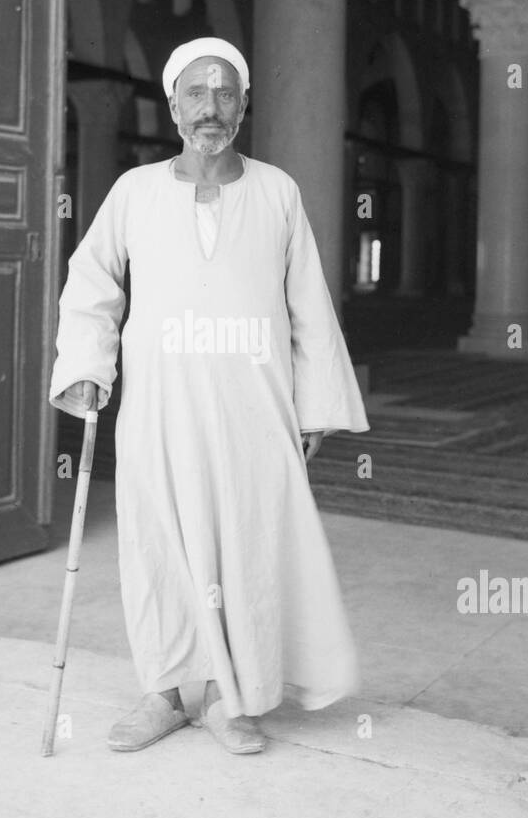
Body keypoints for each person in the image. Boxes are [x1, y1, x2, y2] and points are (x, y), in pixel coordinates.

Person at [50, 37, 369, 755]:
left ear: (245, 104)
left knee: (246, 545)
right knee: (158, 541)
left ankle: (235, 699)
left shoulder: (278, 192)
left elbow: (308, 306)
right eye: (197, 93)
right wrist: (85, 365)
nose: (212, 108)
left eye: (226, 94)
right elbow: (92, 280)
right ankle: (164, 691)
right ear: (172, 105)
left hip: (252, 404)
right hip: (159, 404)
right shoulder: (134, 192)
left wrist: (314, 403)